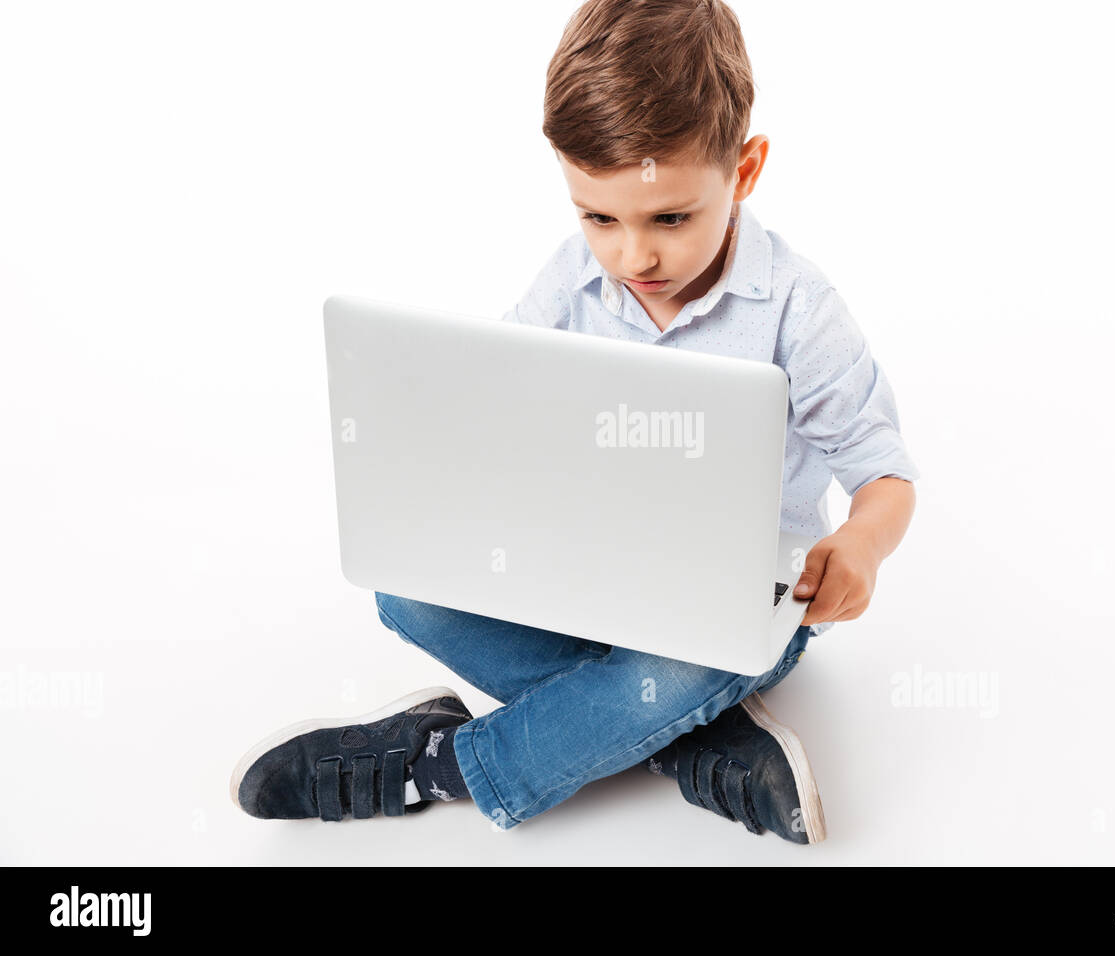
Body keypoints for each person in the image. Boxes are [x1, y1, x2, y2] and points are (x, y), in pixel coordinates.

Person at [231, 0, 919, 845]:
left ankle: (435, 762)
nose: (634, 257)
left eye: (670, 217)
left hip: (733, 612)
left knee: (688, 665)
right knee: (405, 588)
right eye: (599, 218)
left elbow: (886, 477)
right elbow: (501, 399)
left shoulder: (799, 312)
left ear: (744, 171)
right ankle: (686, 741)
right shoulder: (571, 279)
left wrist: (860, 547)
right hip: (580, 579)